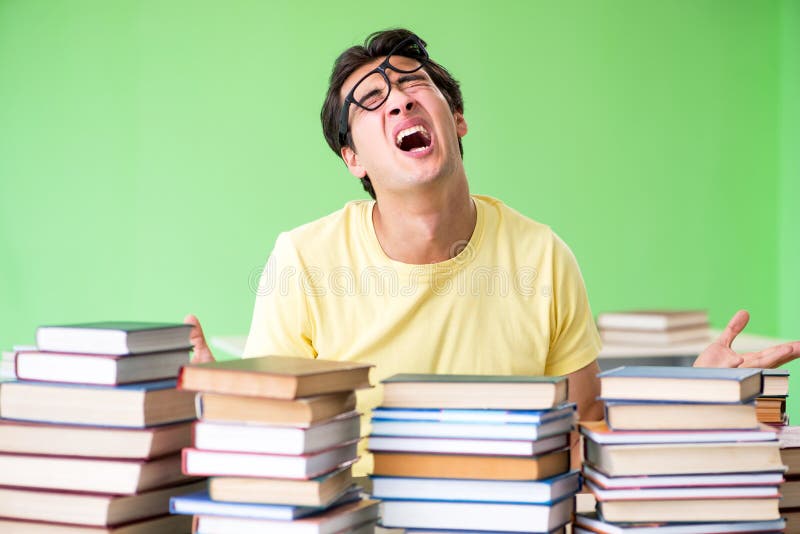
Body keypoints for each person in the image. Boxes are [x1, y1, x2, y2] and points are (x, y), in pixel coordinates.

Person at [186, 29, 800, 471]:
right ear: (353, 159)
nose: (398, 99)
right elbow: (272, 443)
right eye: (370, 100)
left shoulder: (543, 257)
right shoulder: (302, 260)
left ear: (456, 119)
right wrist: (218, 406)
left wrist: (692, 396)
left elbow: (584, 435)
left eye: (414, 83)